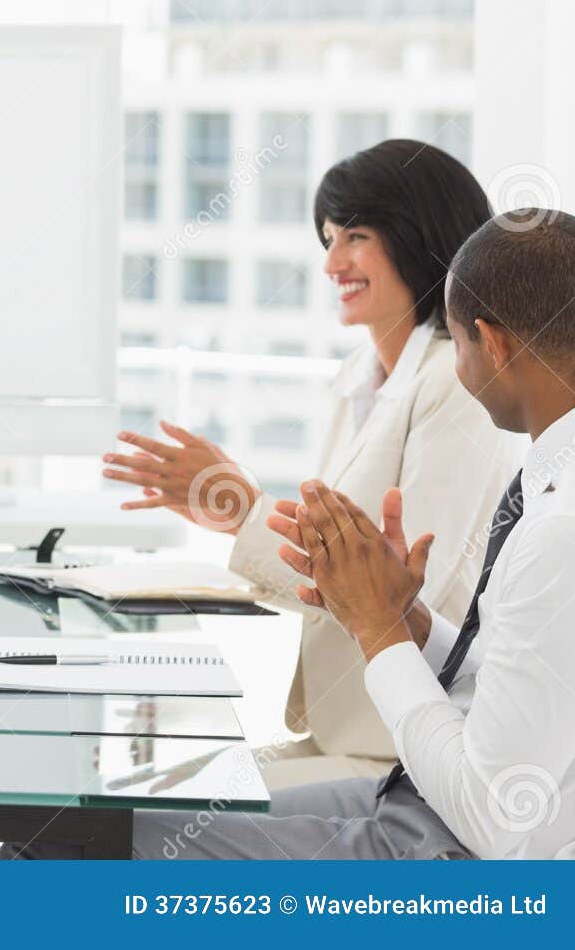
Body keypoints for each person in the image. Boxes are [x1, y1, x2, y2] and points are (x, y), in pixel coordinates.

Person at [131, 209, 575, 859]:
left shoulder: (557, 530)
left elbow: (493, 818)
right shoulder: (548, 488)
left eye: (461, 344)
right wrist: (411, 622)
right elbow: (525, 687)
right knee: (104, 823)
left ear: (493, 342)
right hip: (420, 797)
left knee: (97, 838)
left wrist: (378, 628)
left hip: (453, 853)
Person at [101, 140, 520, 787]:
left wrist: (241, 508)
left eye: (354, 235)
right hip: (340, 733)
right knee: (128, 796)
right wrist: (235, 512)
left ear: (419, 236)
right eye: (327, 237)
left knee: (133, 822)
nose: (331, 262)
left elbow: (400, 584)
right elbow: (340, 556)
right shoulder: (361, 381)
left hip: (401, 754)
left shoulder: (452, 387)